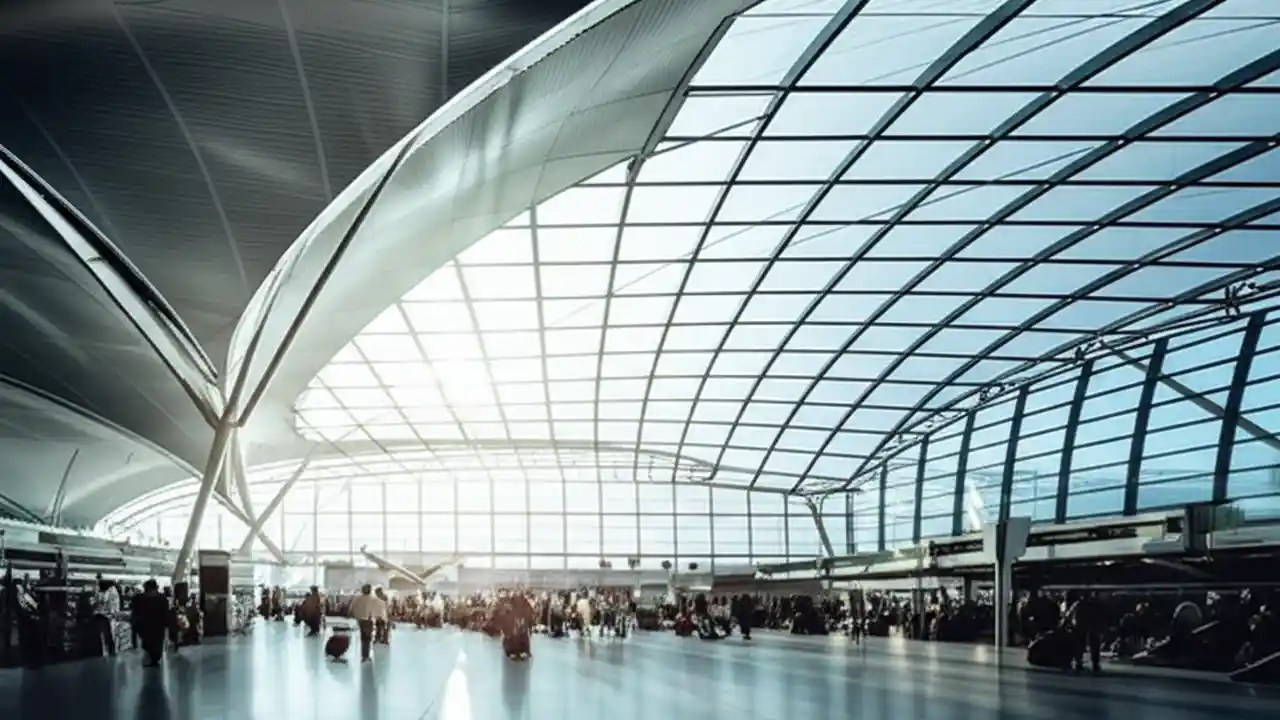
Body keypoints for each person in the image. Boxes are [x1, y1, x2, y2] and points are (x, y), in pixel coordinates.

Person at [131, 580, 169, 667]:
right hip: (158, 627)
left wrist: (135, 627)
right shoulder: (162, 599)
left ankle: (150, 658)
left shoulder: (138, 599)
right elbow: (165, 614)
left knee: (147, 643)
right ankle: (155, 659)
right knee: (157, 644)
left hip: (145, 627)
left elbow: (135, 614)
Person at [1066, 591, 1104, 674]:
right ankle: (1093, 663)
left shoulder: (1079, 604)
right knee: (1091, 645)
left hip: (1082, 627)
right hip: (1088, 627)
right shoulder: (1094, 605)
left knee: (1081, 645)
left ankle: (1080, 662)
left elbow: (1068, 615)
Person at [349, 584, 386, 662]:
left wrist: (357, 617)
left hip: (361, 620)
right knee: (367, 638)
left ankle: (364, 655)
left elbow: (353, 609)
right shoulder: (373, 599)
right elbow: (381, 606)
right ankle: (366, 655)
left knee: (364, 637)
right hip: (368, 620)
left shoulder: (358, 599)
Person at [91, 575, 120, 656]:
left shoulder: (111, 591)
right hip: (109, 616)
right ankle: (112, 650)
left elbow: (103, 601)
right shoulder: (113, 591)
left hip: (106, 616)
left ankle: (108, 651)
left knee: (107, 635)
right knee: (110, 635)